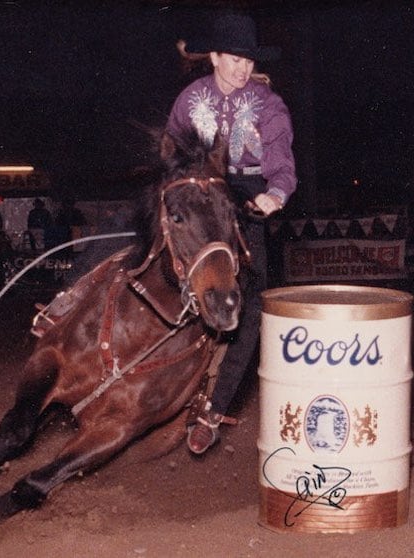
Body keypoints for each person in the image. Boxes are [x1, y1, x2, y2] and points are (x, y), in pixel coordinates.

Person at [166, 11, 298, 454]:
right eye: (235, 59)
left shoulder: (267, 104)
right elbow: (172, 155)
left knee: (254, 300)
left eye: (249, 61)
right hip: (198, 196)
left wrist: (274, 194)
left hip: (246, 197)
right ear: (215, 57)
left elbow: (281, 161)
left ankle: (214, 409)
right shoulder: (189, 100)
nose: (243, 69)